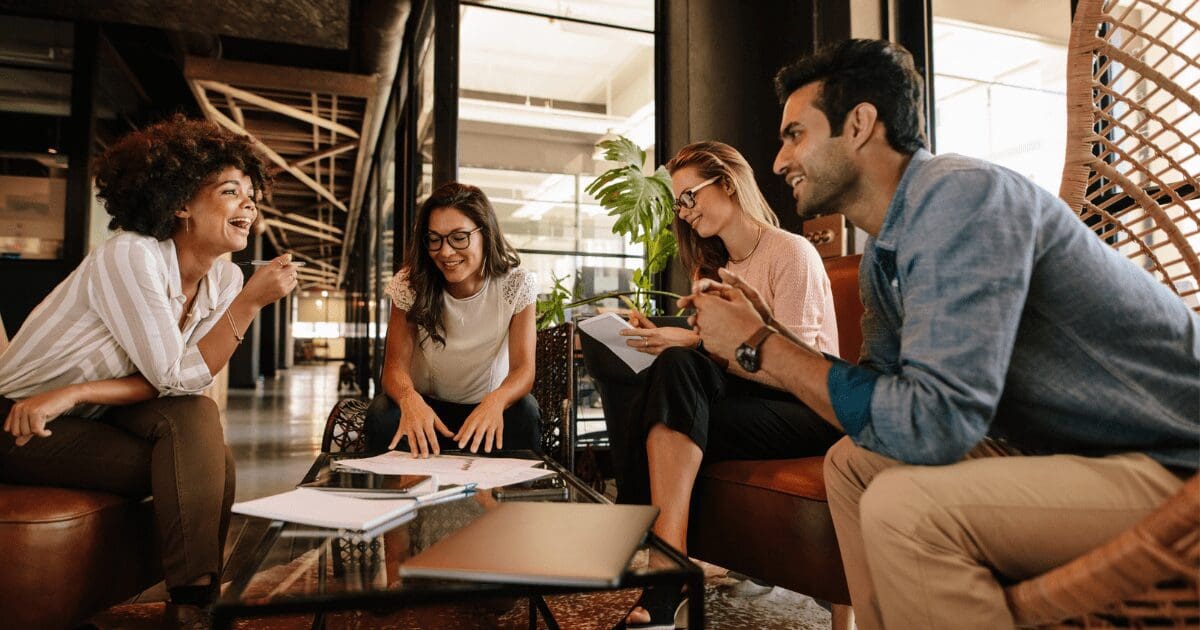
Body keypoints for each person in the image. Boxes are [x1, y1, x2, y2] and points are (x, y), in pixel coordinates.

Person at [683, 38, 1200, 630]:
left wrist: (761, 348)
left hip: (1173, 461)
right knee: (854, 463)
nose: (777, 162)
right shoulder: (887, 246)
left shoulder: (962, 196)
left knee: (906, 508)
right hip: (1064, 450)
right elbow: (876, 397)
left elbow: (935, 423)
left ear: (858, 125)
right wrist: (771, 331)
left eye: (794, 134)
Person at [0, 116, 297, 628]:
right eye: (231, 191)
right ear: (180, 202)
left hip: (91, 413)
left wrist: (74, 393)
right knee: (208, 466)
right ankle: (195, 605)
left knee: (196, 419)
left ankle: (190, 603)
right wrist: (249, 306)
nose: (249, 204)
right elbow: (173, 373)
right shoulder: (132, 255)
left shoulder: (223, 277)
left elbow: (182, 381)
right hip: (21, 423)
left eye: (252, 194)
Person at [616, 141, 843, 628]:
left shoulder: (791, 253)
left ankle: (661, 566)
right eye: (678, 203)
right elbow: (716, 365)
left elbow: (794, 367)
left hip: (810, 406)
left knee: (677, 379)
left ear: (727, 182)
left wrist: (697, 344)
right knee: (671, 372)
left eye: (689, 196)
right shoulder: (714, 269)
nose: (684, 211)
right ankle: (669, 562)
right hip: (748, 402)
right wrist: (678, 341)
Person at [364, 182, 540, 457]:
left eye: (459, 237)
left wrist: (496, 401)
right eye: (434, 239)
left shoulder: (516, 284)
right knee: (381, 415)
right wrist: (410, 400)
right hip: (427, 410)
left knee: (526, 412)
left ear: (486, 233)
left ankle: (512, 499)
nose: (445, 252)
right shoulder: (411, 284)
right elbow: (394, 368)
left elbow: (523, 370)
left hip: (486, 407)